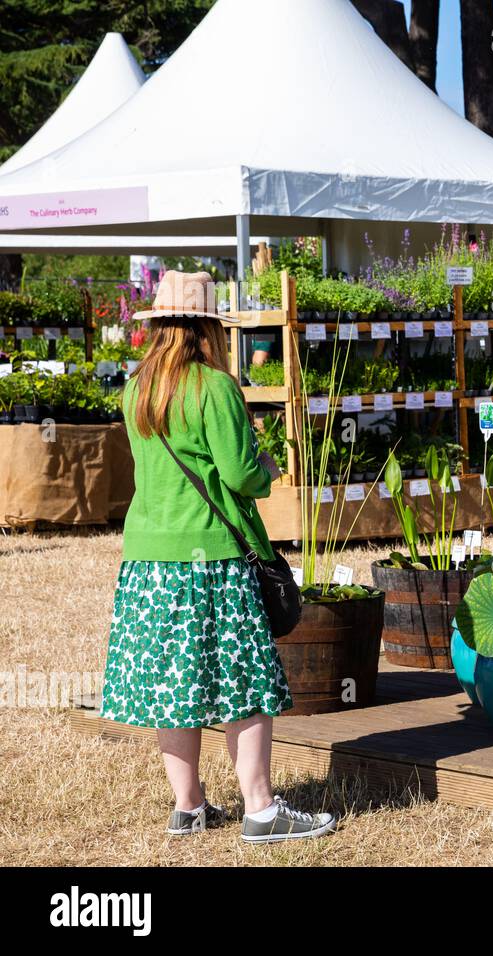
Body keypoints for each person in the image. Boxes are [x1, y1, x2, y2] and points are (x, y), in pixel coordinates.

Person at [100, 270, 335, 844]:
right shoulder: (216, 387)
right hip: (212, 559)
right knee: (242, 682)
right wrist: (268, 469)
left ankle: (188, 807)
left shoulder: (136, 388)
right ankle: (260, 810)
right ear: (209, 326)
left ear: (157, 326)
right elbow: (239, 475)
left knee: (174, 687)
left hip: (148, 563)